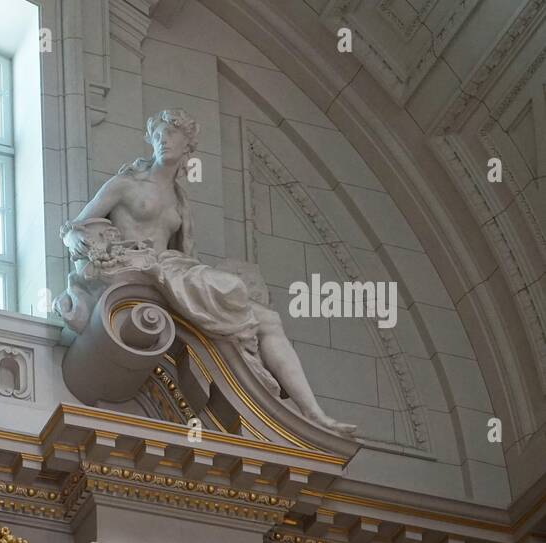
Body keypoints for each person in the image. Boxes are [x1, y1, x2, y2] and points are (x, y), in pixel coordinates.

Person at [63, 109, 355, 436]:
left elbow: (185, 253)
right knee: (234, 289)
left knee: (268, 319)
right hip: (141, 269)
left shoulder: (179, 201)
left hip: (172, 269)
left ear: (188, 146)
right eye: (158, 135)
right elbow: (74, 229)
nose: (163, 142)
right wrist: (84, 241)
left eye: (171, 135)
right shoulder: (125, 185)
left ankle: (312, 414)